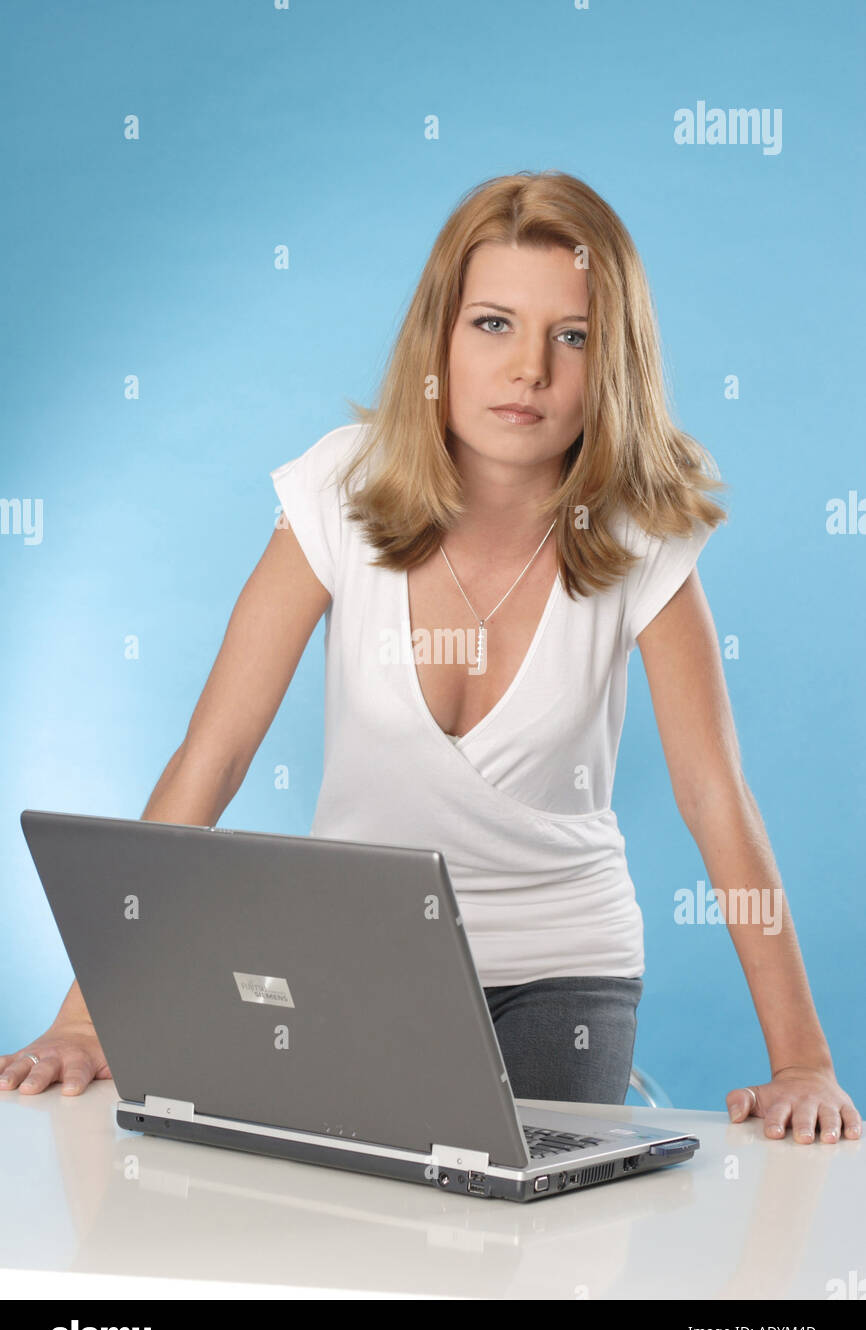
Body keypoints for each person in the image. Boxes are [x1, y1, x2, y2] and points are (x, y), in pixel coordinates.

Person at [3, 170, 860, 1144]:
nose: (527, 369)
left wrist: (803, 1065)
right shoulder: (339, 488)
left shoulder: (637, 534)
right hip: (352, 964)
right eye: (492, 323)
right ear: (438, 339)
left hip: (561, 969)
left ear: (612, 359)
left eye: (569, 335)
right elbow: (216, 756)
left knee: (513, 1235)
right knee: (341, 1234)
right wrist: (83, 1014)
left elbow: (715, 797)